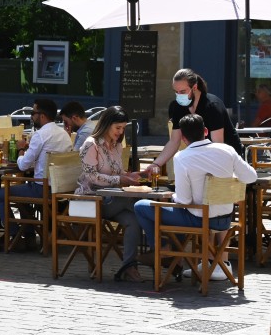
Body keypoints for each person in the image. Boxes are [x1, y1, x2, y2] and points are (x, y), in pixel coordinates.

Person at [134, 113, 256, 280]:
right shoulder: (227, 150)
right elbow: (251, 177)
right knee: (178, 212)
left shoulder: (182, 157)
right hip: (226, 219)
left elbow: (184, 200)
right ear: (205, 131)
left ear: (183, 139)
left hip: (200, 220)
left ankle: (162, 249)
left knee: (141, 206)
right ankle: (174, 253)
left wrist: (173, 197)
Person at [75, 105, 145, 283]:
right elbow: (92, 176)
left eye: (123, 128)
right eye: (118, 128)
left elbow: (117, 173)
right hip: (91, 199)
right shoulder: (91, 144)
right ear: (107, 124)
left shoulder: (117, 145)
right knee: (141, 205)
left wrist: (129, 176)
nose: (121, 132)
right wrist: (121, 180)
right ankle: (160, 247)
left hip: (112, 199)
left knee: (134, 220)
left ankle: (129, 267)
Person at [0, 98, 71, 250]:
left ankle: (14, 234)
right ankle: (29, 235)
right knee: (22, 193)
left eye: (33, 113)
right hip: (60, 189)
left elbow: (22, 165)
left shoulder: (40, 135)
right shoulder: (64, 135)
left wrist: (21, 149)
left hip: (42, 189)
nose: (31, 116)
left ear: (42, 115)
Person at [147, 68, 244, 176]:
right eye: (176, 92)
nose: (179, 95)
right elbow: (174, 141)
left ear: (194, 87)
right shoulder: (178, 106)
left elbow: (218, 145)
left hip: (227, 158)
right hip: (202, 155)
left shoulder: (212, 105)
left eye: (182, 92)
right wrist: (156, 164)